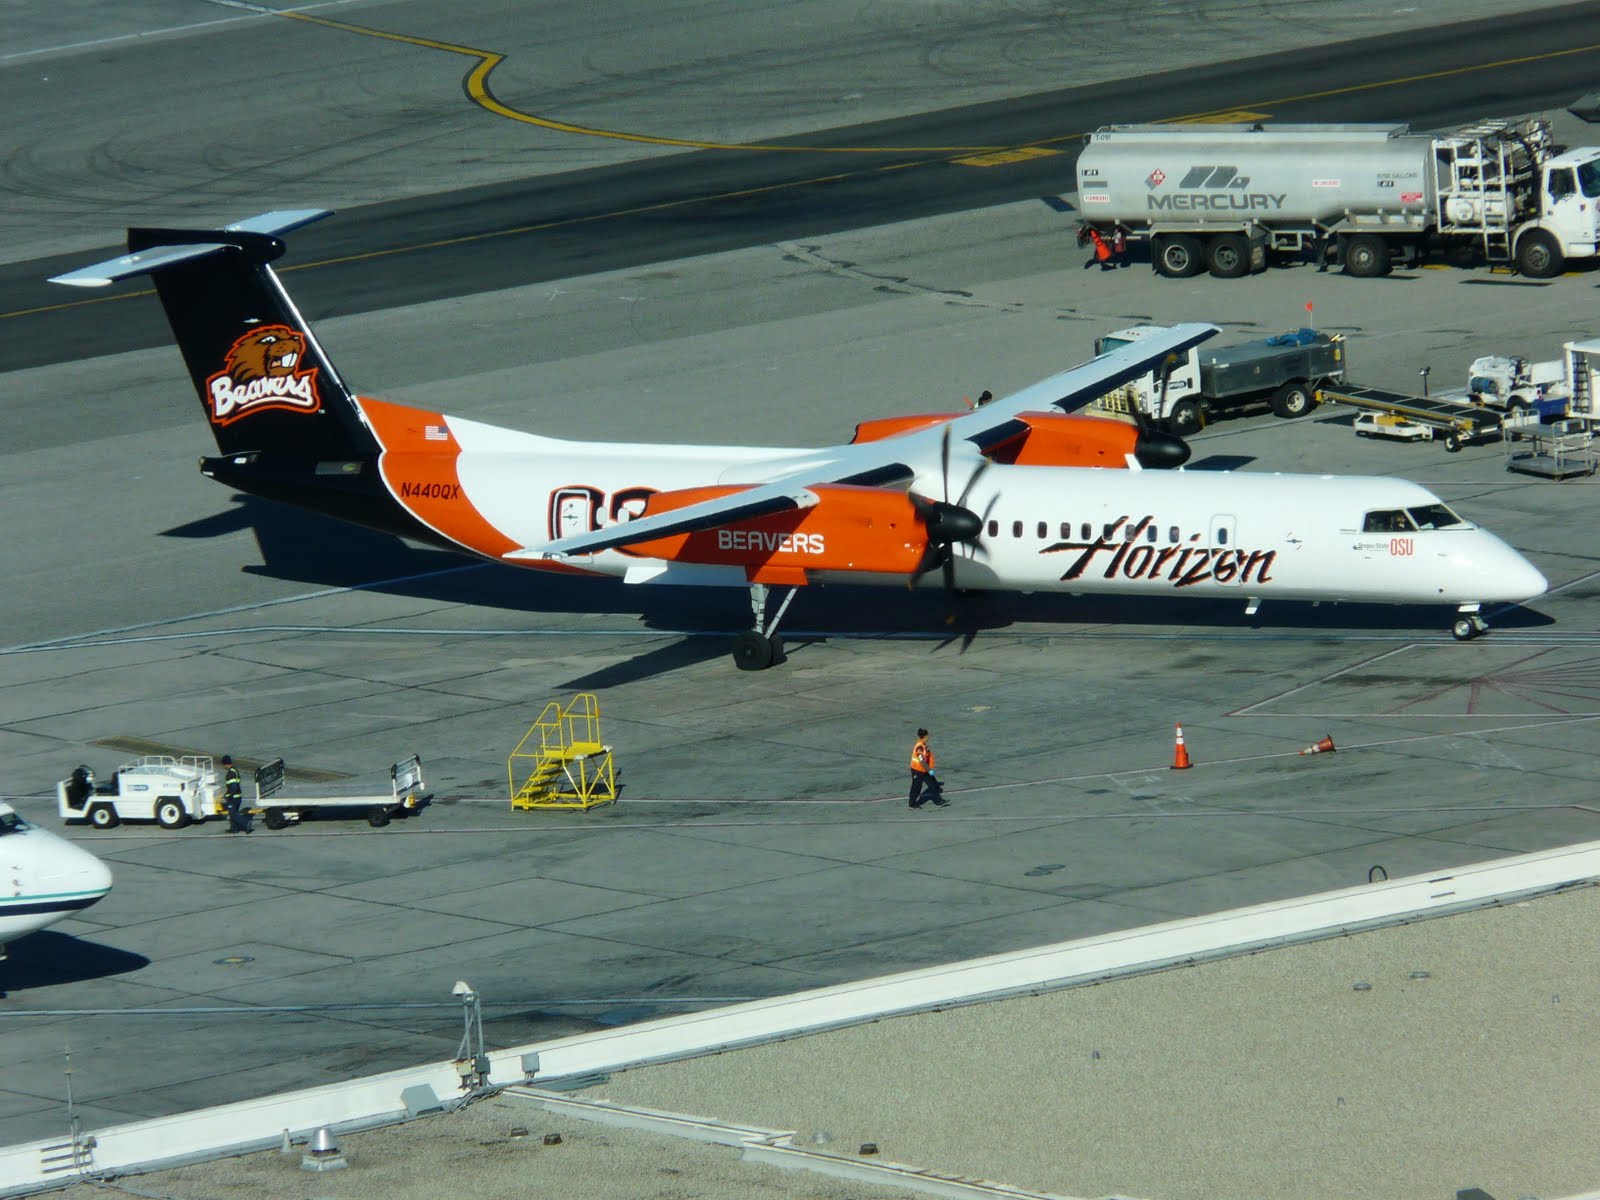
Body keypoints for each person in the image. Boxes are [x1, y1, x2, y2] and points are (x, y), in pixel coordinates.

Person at [908, 728, 947, 809]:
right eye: (928, 735)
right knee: (916, 787)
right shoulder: (920, 747)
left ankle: (939, 801)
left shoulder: (924, 745)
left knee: (933, 784)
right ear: (925, 736)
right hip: (918, 770)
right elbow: (921, 760)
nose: (929, 737)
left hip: (924, 769)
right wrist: (929, 770)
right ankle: (912, 804)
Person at [221, 755, 250, 833]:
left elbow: (233, 787)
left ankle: (246, 823)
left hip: (234, 798)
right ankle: (234, 829)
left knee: (233, 813)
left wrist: (228, 796)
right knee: (233, 813)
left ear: (225, 764)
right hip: (238, 797)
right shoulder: (234, 770)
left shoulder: (231, 773)